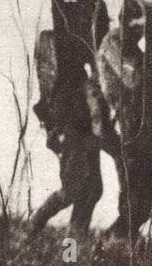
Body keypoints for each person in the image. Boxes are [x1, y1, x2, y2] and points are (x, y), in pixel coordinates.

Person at [96, 0, 152, 238]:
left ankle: (120, 240)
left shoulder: (130, 45)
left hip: (137, 125)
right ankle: (113, 243)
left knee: (151, 201)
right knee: (136, 198)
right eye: (140, 27)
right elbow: (133, 78)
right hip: (123, 126)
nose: (142, 34)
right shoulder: (115, 41)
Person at [30, 46, 108, 240]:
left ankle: (70, 255)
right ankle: (35, 223)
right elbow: (89, 107)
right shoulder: (69, 79)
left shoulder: (78, 77)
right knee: (74, 190)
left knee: (90, 192)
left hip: (85, 137)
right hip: (75, 137)